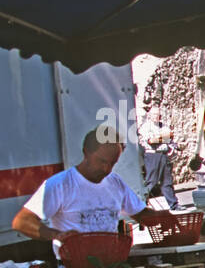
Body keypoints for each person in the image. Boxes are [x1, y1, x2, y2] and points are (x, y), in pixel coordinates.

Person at [12, 125, 168, 255]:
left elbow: (140, 213)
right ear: (86, 152)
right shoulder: (60, 184)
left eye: (112, 163)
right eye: (101, 161)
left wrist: (161, 217)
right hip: (73, 267)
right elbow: (21, 221)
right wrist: (58, 235)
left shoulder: (115, 182)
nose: (106, 169)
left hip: (110, 262)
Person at [136, 106, 177, 208]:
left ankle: (174, 204)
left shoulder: (163, 126)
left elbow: (170, 137)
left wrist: (160, 138)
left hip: (164, 155)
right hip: (152, 155)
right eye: (154, 114)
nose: (156, 116)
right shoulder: (145, 127)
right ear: (149, 115)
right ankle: (141, 204)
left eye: (158, 114)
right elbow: (151, 141)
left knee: (167, 181)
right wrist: (164, 138)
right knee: (152, 181)